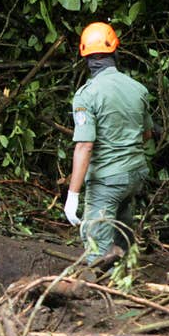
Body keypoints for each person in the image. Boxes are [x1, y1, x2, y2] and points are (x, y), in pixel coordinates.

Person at [64, 22, 152, 268]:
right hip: (135, 174)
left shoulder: (87, 94)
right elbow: (146, 134)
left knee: (96, 241)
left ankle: (102, 287)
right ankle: (126, 273)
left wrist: (72, 196)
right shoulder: (138, 89)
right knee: (121, 228)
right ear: (115, 51)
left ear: (86, 58)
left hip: (107, 180)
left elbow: (85, 145)